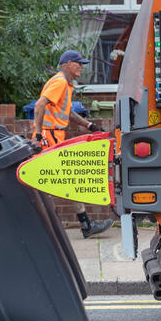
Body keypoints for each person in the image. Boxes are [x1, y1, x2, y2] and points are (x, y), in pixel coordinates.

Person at [32, 50, 114, 238]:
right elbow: (39, 105)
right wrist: (37, 135)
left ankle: (83, 224)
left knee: (66, 177)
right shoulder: (59, 81)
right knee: (51, 181)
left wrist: (90, 126)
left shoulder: (65, 85)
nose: (82, 67)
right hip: (49, 135)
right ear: (69, 64)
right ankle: (52, 227)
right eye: (79, 63)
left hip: (54, 135)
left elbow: (67, 112)